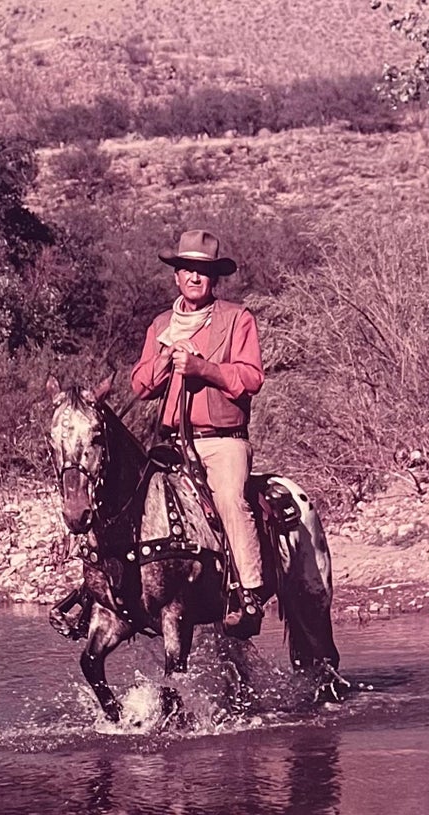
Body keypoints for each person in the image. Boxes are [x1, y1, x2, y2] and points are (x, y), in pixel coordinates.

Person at [130, 228, 265, 631]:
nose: (194, 277)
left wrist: (203, 368)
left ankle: (250, 593)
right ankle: (114, 593)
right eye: (187, 269)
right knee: (129, 500)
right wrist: (164, 360)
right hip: (172, 445)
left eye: (202, 271)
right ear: (176, 275)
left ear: (213, 279)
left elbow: (251, 378)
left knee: (228, 499)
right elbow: (140, 386)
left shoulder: (237, 319)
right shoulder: (160, 325)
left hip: (222, 442)